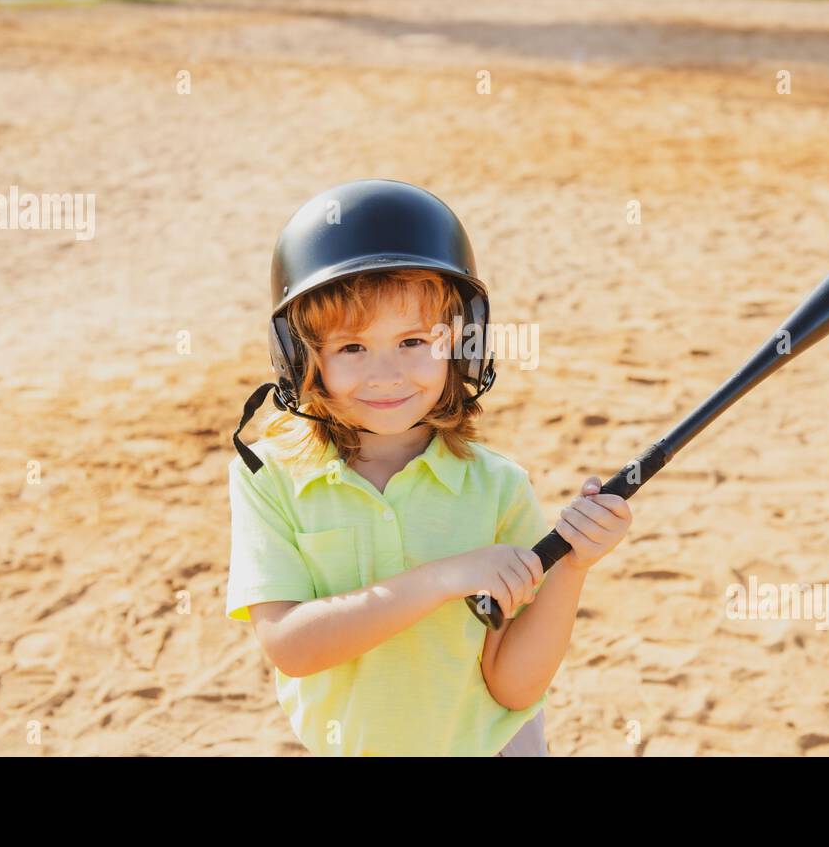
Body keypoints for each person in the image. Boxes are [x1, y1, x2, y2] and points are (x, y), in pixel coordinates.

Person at [225, 179, 631, 756]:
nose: (386, 374)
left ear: (460, 345)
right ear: (298, 358)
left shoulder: (496, 486)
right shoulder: (269, 476)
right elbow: (292, 647)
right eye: (351, 348)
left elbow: (514, 687)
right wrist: (444, 578)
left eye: (414, 340)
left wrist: (572, 566)